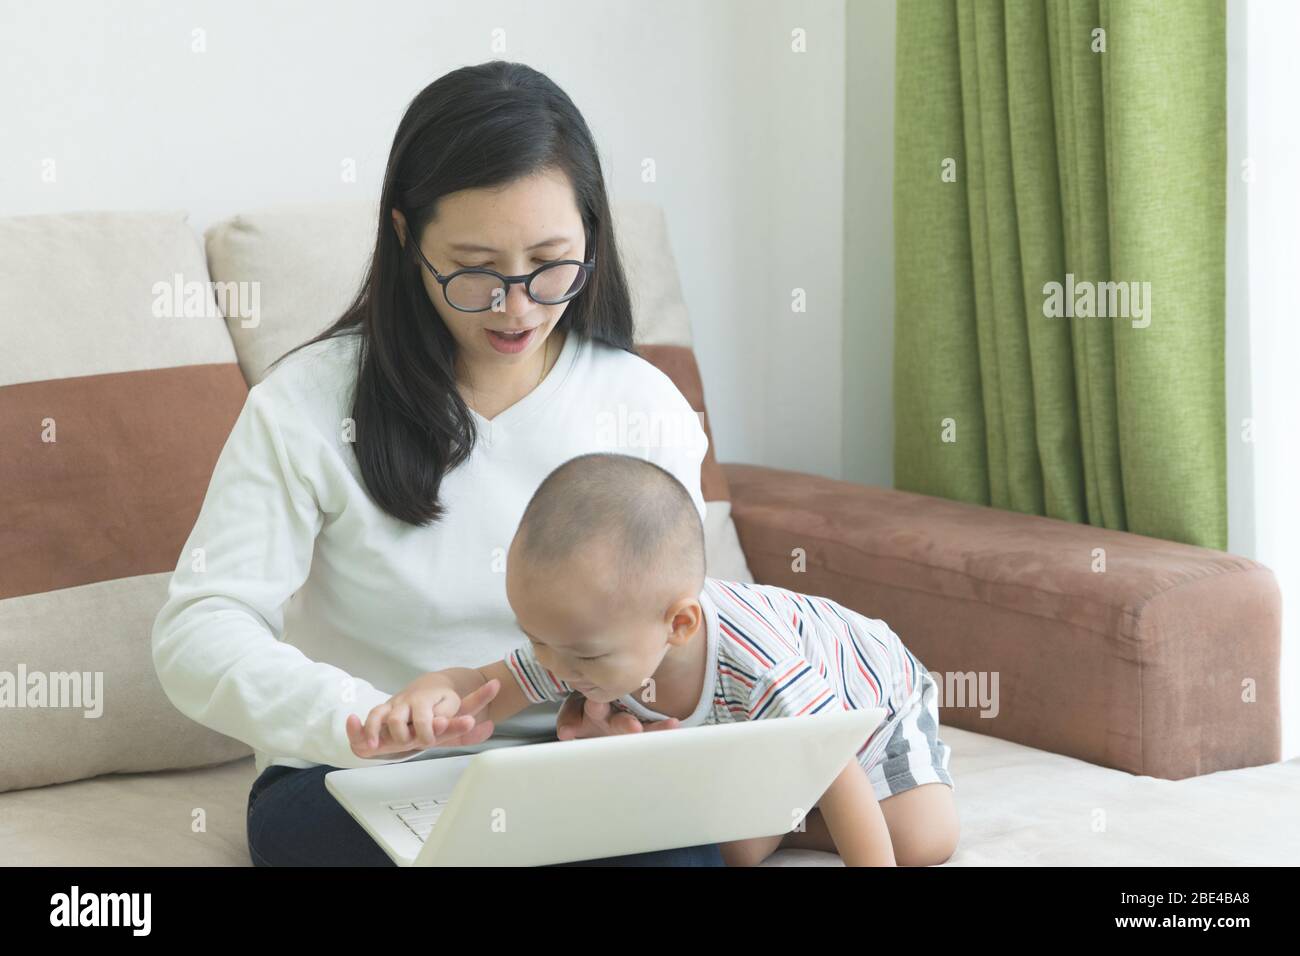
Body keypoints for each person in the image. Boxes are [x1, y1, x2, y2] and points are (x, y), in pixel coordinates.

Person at [152, 61, 722, 866]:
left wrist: (629, 710)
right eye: (476, 268)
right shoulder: (309, 403)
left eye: (549, 261)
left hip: (574, 772)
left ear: (592, 232)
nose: (516, 304)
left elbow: (682, 623)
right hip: (358, 779)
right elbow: (198, 629)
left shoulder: (644, 405)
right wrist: (363, 717)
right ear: (404, 236)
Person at [358, 453, 960, 867]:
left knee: (923, 838)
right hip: (766, 739)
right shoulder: (574, 644)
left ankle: (794, 809)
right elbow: (488, 683)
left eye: (580, 655)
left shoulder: (757, 662)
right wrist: (435, 691)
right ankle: (782, 805)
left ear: (679, 625)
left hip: (869, 698)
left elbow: (837, 764)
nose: (552, 666)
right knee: (732, 850)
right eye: (536, 639)